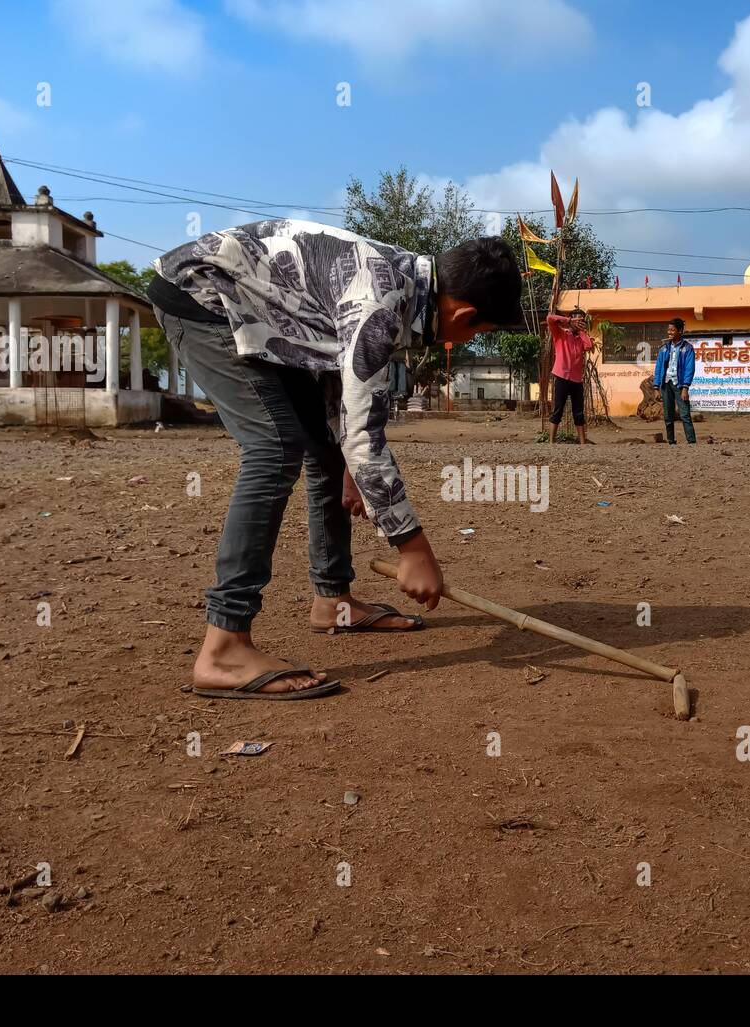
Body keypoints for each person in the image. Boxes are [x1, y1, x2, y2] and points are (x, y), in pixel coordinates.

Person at [148, 219, 523, 699]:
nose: (465, 342)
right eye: (478, 332)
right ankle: (224, 647)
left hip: (263, 310)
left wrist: (349, 461)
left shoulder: (405, 284)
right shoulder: (382, 304)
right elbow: (364, 433)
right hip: (203, 296)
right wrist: (412, 549)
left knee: (327, 450)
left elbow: (337, 372)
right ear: (465, 312)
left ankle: (334, 602)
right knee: (276, 447)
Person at [545, 307, 594, 444]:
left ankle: (582, 443)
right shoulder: (561, 334)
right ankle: (551, 442)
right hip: (561, 377)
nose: (579, 322)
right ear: (571, 320)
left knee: (578, 412)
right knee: (557, 410)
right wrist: (568, 321)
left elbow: (589, 346)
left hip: (577, 380)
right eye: (577, 320)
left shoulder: (581, 338)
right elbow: (550, 318)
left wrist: (582, 331)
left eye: (581, 321)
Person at [653, 318, 696, 444]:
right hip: (666, 384)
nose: (669, 332)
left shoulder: (687, 348)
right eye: (669, 330)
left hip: (680, 384)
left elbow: (690, 368)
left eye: (672, 330)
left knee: (685, 414)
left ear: (680, 331)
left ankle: (691, 441)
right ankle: (671, 441)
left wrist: (685, 387)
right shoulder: (664, 348)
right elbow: (658, 368)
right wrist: (656, 387)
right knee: (668, 415)